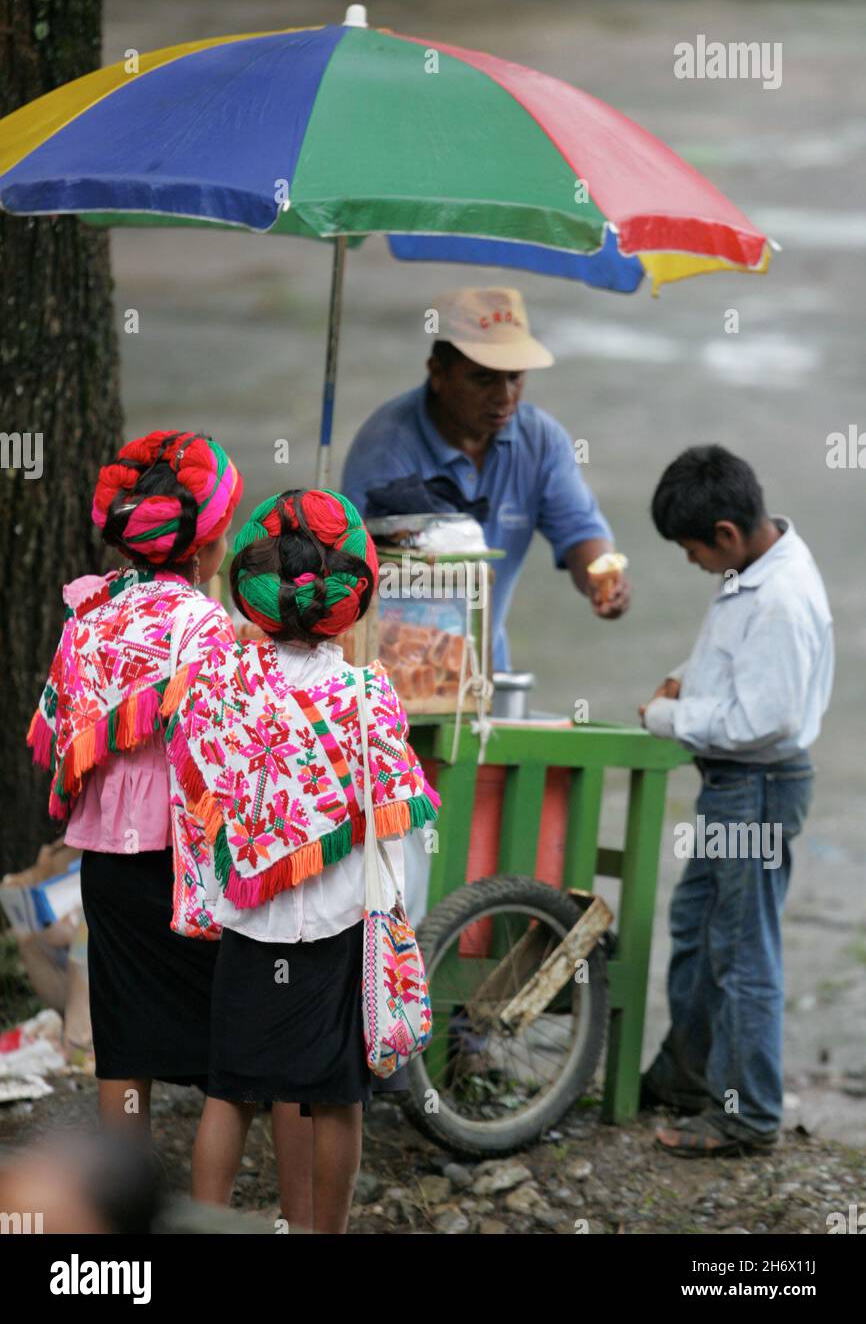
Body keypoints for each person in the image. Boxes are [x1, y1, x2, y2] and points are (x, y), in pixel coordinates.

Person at [164, 489, 439, 1233]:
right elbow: (394, 821)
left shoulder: (220, 686)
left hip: (250, 929)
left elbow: (197, 797)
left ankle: (203, 1225)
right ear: (349, 598)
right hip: (339, 928)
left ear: (254, 596)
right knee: (336, 1099)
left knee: (229, 1093)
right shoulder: (365, 694)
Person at [27, 430, 243, 1136]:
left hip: (106, 864)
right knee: (223, 1051)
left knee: (122, 1041)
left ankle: (122, 1203)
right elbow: (218, 747)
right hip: (180, 863)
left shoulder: (89, 616)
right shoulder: (204, 624)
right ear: (206, 550)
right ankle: (211, 1210)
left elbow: (59, 727)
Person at [639, 446, 833, 1156]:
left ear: (724, 533)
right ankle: (689, 1076)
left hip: (756, 790)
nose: (692, 563)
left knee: (744, 951)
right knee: (697, 928)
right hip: (733, 790)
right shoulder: (754, 568)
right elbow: (731, 661)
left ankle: (748, 1112)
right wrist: (681, 680)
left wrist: (667, 719)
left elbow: (765, 719)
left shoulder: (779, 597)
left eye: (692, 550)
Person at [341, 286, 629, 671]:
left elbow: (580, 532)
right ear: (438, 374)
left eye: (515, 377)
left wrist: (602, 579)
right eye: (484, 379)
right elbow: (358, 574)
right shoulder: (385, 448)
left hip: (487, 667)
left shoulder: (541, 441)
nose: (504, 396)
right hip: (389, 673)